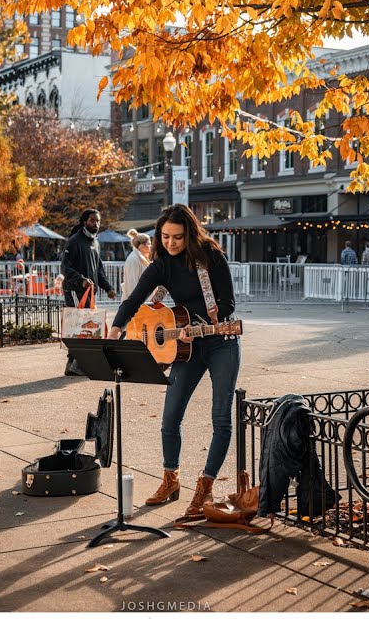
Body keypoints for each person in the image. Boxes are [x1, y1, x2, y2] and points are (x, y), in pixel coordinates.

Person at [108, 204, 238, 520]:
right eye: (165, 236)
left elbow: (227, 303)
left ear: (189, 234)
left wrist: (194, 324)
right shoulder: (162, 263)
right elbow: (134, 300)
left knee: (220, 419)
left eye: (177, 237)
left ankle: (204, 487)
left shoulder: (209, 255)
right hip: (186, 349)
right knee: (170, 419)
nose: (170, 243)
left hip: (221, 341)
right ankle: (171, 480)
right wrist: (115, 331)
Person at [61, 208, 116, 375]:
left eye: (98, 221)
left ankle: (73, 365)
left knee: (84, 327)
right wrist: (81, 280)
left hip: (90, 292)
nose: (96, 224)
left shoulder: (95, 242)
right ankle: (77, 365)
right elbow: (65, 268)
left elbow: (99, 269)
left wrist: (108, 288)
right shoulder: (74, 241)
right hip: (75, 290)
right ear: (84, 222)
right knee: (79, 326)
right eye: (93, 220)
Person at [121, 228, 151, 299]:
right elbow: (132, 284)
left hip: (143, 300)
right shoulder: (134, 259)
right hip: (135, 303)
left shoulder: (141, 258)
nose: (151, 246)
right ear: (142, 245)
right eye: (149, 243)